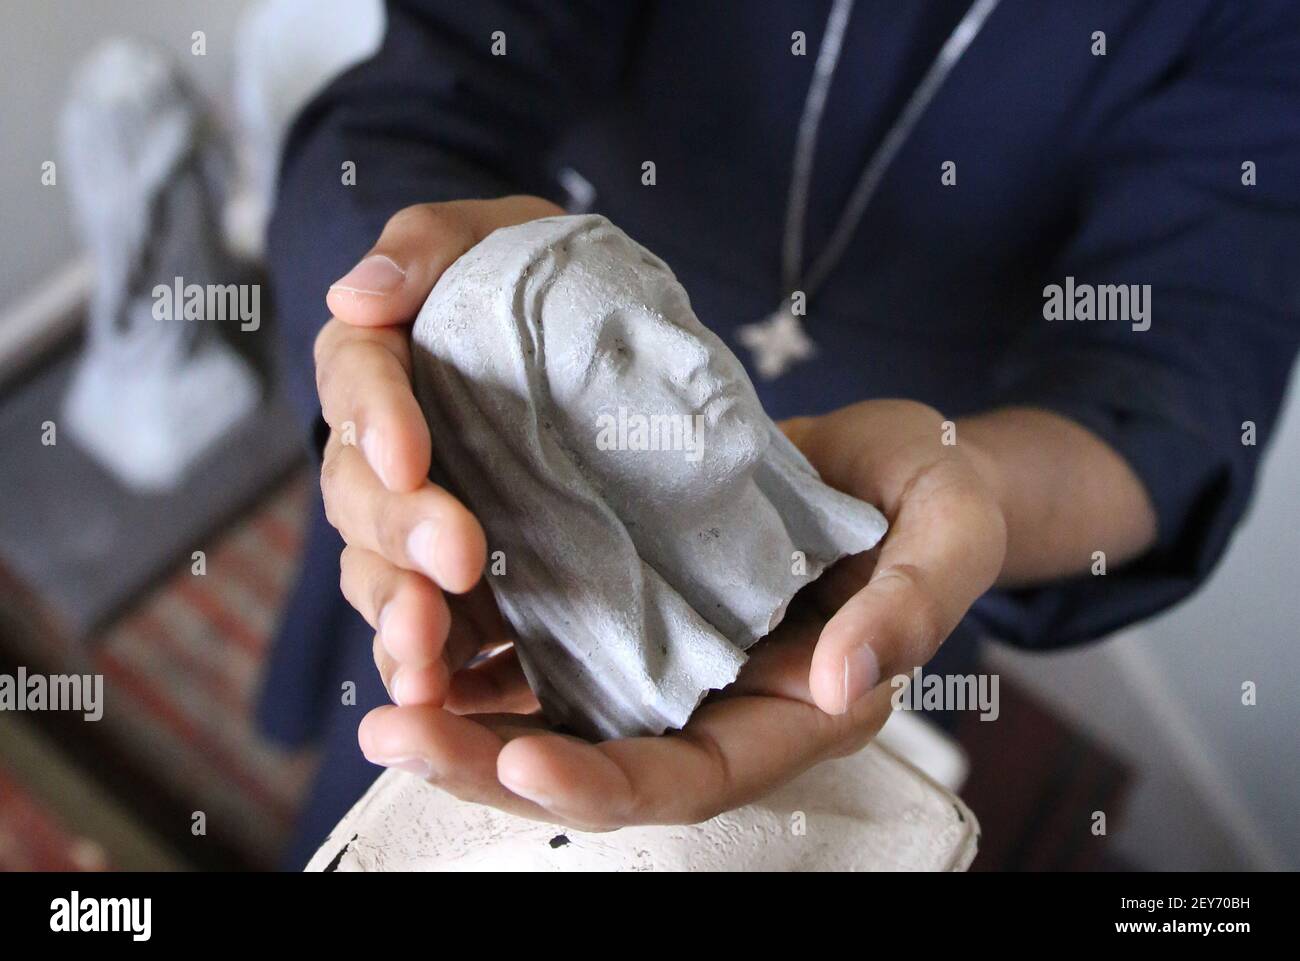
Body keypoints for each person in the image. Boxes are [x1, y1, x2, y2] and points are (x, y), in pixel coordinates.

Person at [262, 0, 1300, 864]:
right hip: (502, 461)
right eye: (635, 346)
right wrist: (409, 338)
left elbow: (1179, 379)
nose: (698, 361)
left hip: (923, 462)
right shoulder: (518, 433)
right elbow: (416, 100)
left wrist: (966, 476)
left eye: (664, 334)